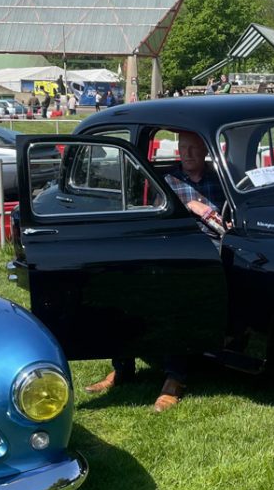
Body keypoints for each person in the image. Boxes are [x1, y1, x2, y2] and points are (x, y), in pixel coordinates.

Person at [83, 131, 225, 412]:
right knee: (123, 292)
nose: (187, 154)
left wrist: (211, 212)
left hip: (213, 247)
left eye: (193, 149)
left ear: (204, 151)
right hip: (174, 245)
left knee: (174, 299)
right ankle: (122, 367)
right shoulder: (169, 179)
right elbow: (155, 207)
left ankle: (175, 378)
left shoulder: (218, 180)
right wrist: (190, 205)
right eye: (183, 148)